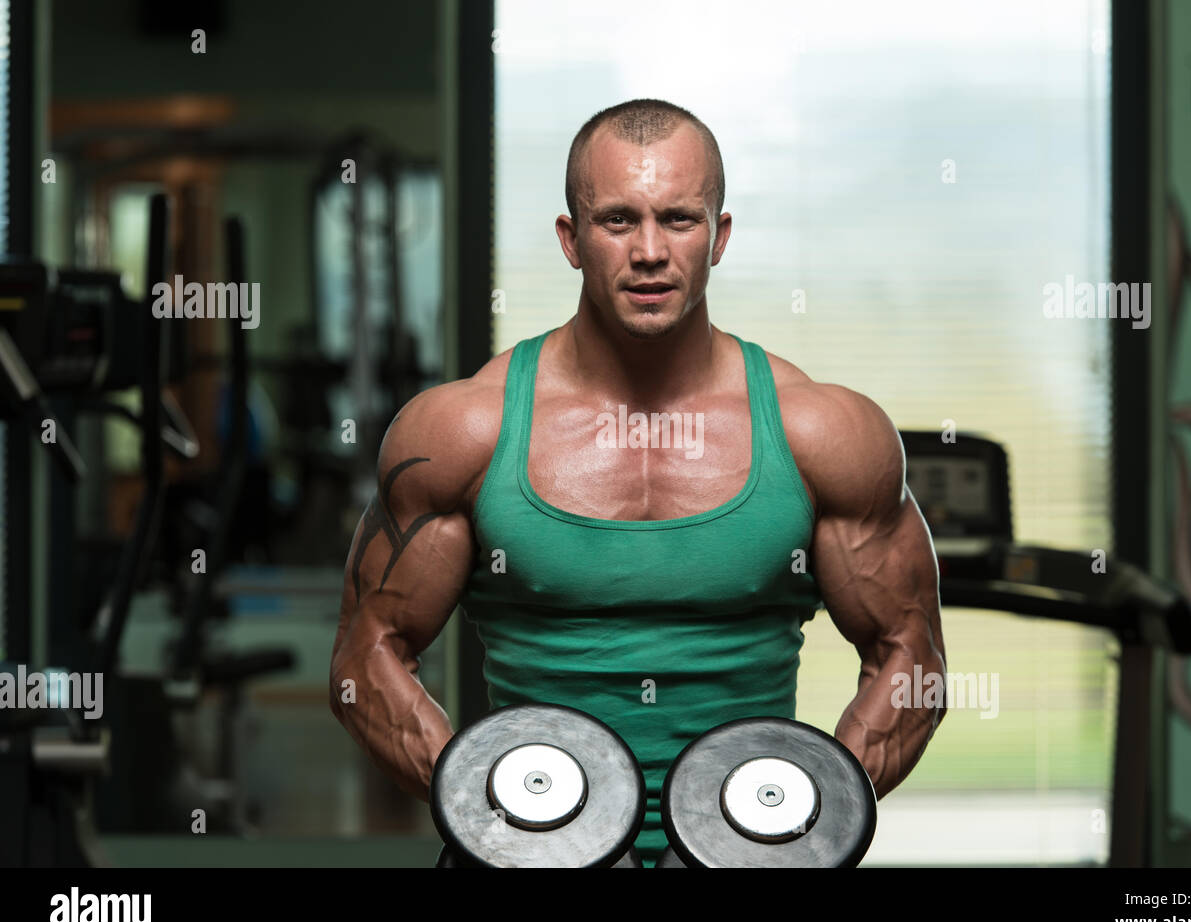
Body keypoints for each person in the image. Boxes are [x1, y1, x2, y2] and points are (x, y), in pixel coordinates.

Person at [329, 98, 947, 865]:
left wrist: (812, 817)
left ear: (719, 237)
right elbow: (367, 655)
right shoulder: (463, 432)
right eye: (618, 220)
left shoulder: (823, 433)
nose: (650, 251)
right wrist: (496, 814)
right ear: (571, 239)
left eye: (680, 219)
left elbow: (910, 654)